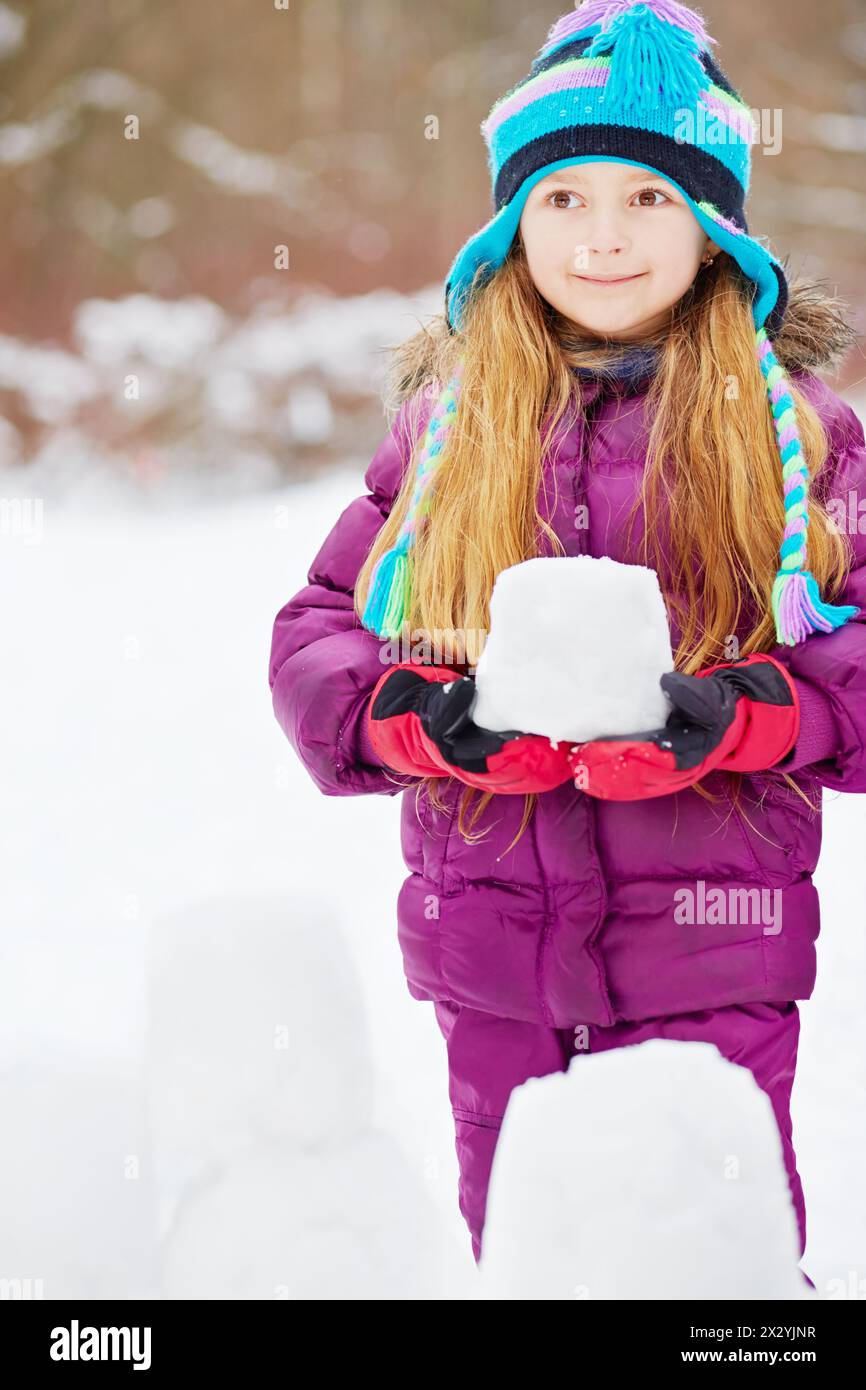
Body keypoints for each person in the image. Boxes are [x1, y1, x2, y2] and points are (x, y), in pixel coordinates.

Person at [269, 0, 866, 1289]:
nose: (603, 238)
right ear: (510, 226)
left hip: (718, 941)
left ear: (714, 224)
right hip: (490, 952)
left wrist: (755, 715)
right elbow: (318, 635)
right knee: (533, 1251)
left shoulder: (798, 436)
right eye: (563, 200)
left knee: (714, 1262)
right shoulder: (449, 433)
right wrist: (416, 717)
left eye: (651, 198)